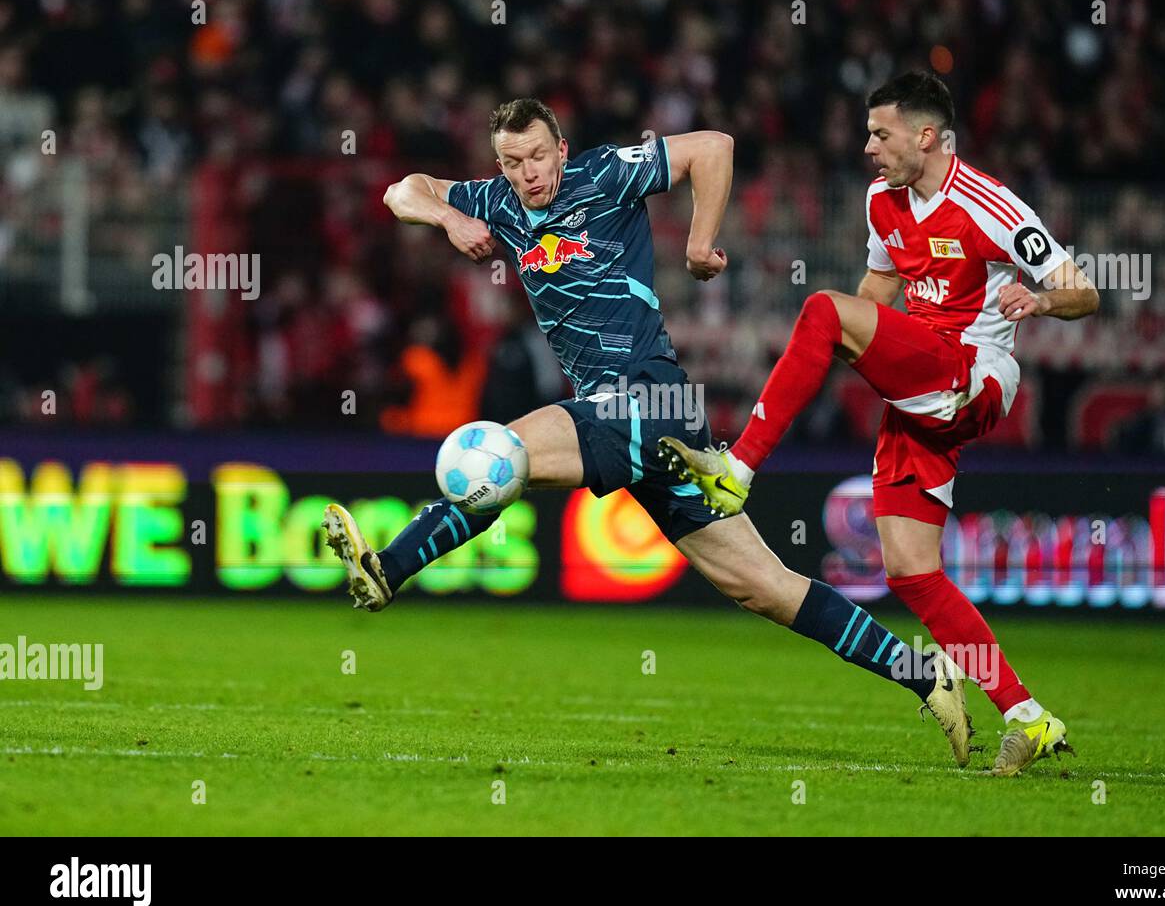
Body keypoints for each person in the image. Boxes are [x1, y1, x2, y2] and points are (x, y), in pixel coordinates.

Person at [322, 97, 974, 766]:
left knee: (502, 452)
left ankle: (389, 570)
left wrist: (698, 239)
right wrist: (451, 216)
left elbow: (713, 145)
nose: (530, 173)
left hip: (645, 396)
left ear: (563, 149)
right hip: (634, 415)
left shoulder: (605, 174)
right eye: (514, 163)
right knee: (766, 587)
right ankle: (925, 674)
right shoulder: (498, 204)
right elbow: (402, 191)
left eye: (540, 156)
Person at [660, 73, 1100, 777]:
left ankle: (737, 468)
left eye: (881, 134)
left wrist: (1040, 304)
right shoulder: (881, 202)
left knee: (822, 312)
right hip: (918, 396)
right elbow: (878, 293)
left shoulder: (989, 206)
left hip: (974, 377)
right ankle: (1028, 715)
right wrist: (835, 354)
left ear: (925, 136)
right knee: (912, 572)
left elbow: (1084, 290)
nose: (868, 147)